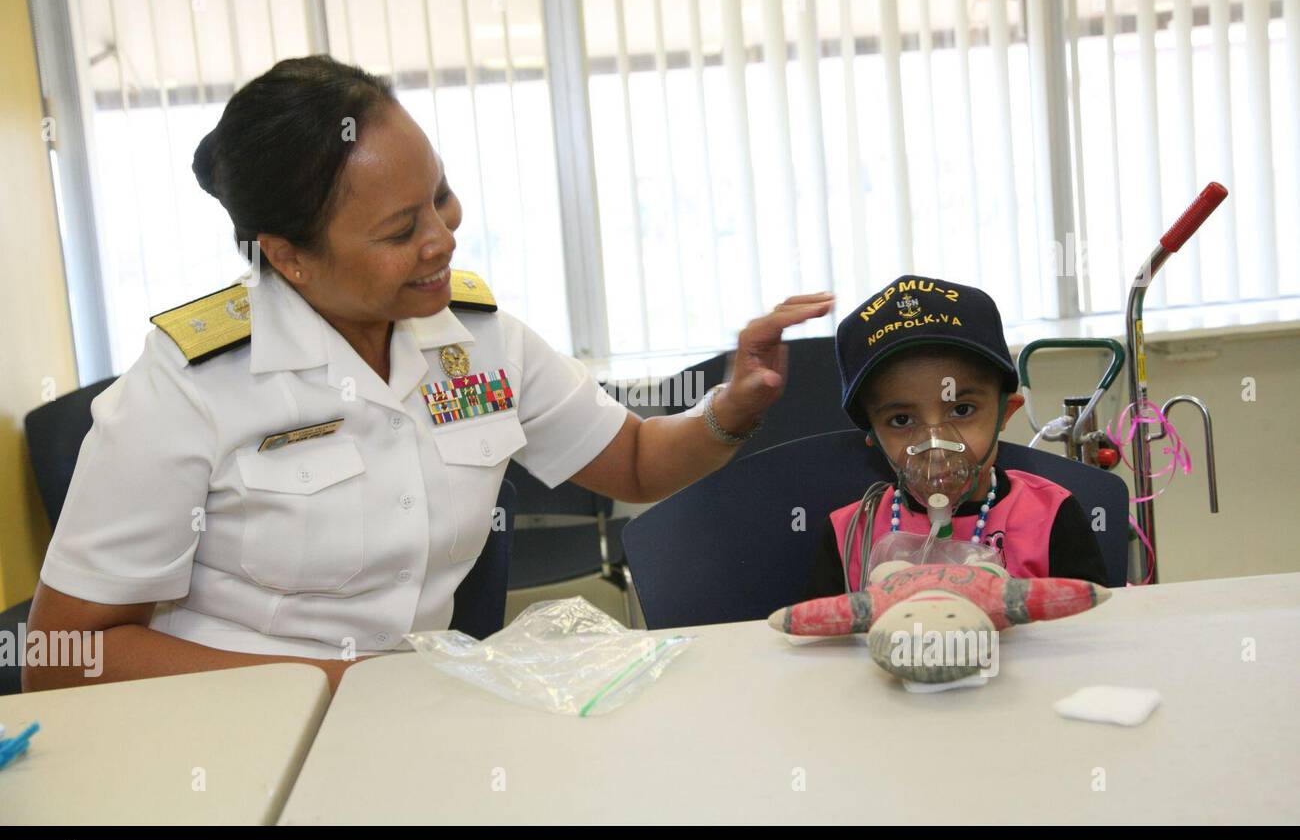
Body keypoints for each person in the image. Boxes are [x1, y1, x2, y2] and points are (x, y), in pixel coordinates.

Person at [25, 56, 832, 695]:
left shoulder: (475, 340)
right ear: (289, 257)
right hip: (235, 739)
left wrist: (732, 407)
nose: (443, 238)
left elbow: (632, 461)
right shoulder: (191, 386)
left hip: (406, 718)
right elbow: (65, 655)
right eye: (399, 229)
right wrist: (341, 685)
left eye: (440, 197)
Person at [805, 276, 1108, 598]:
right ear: (873, 437)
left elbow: (1089, 635)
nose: (935, 448)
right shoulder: (850, 534)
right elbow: (828, 640)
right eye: (902, 419)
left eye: (961, 410)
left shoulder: (1050, 516)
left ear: (1005, 413)